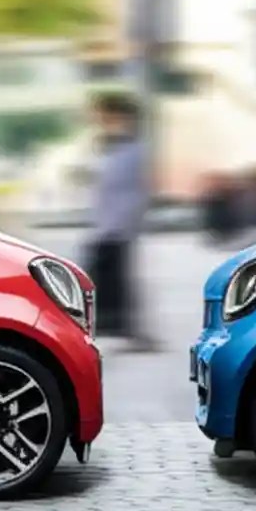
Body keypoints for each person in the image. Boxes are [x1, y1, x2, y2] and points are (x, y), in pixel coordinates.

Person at [85, 91, 150, 346]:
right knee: (110, 278)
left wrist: (126, 221)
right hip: (106, 224)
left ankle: (126, 329)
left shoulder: (133, 148)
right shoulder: (107, 146)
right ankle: (123, 328)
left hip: (118, 225)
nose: (98, 119)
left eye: (103, 114)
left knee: (114, 279)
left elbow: (137, 189)